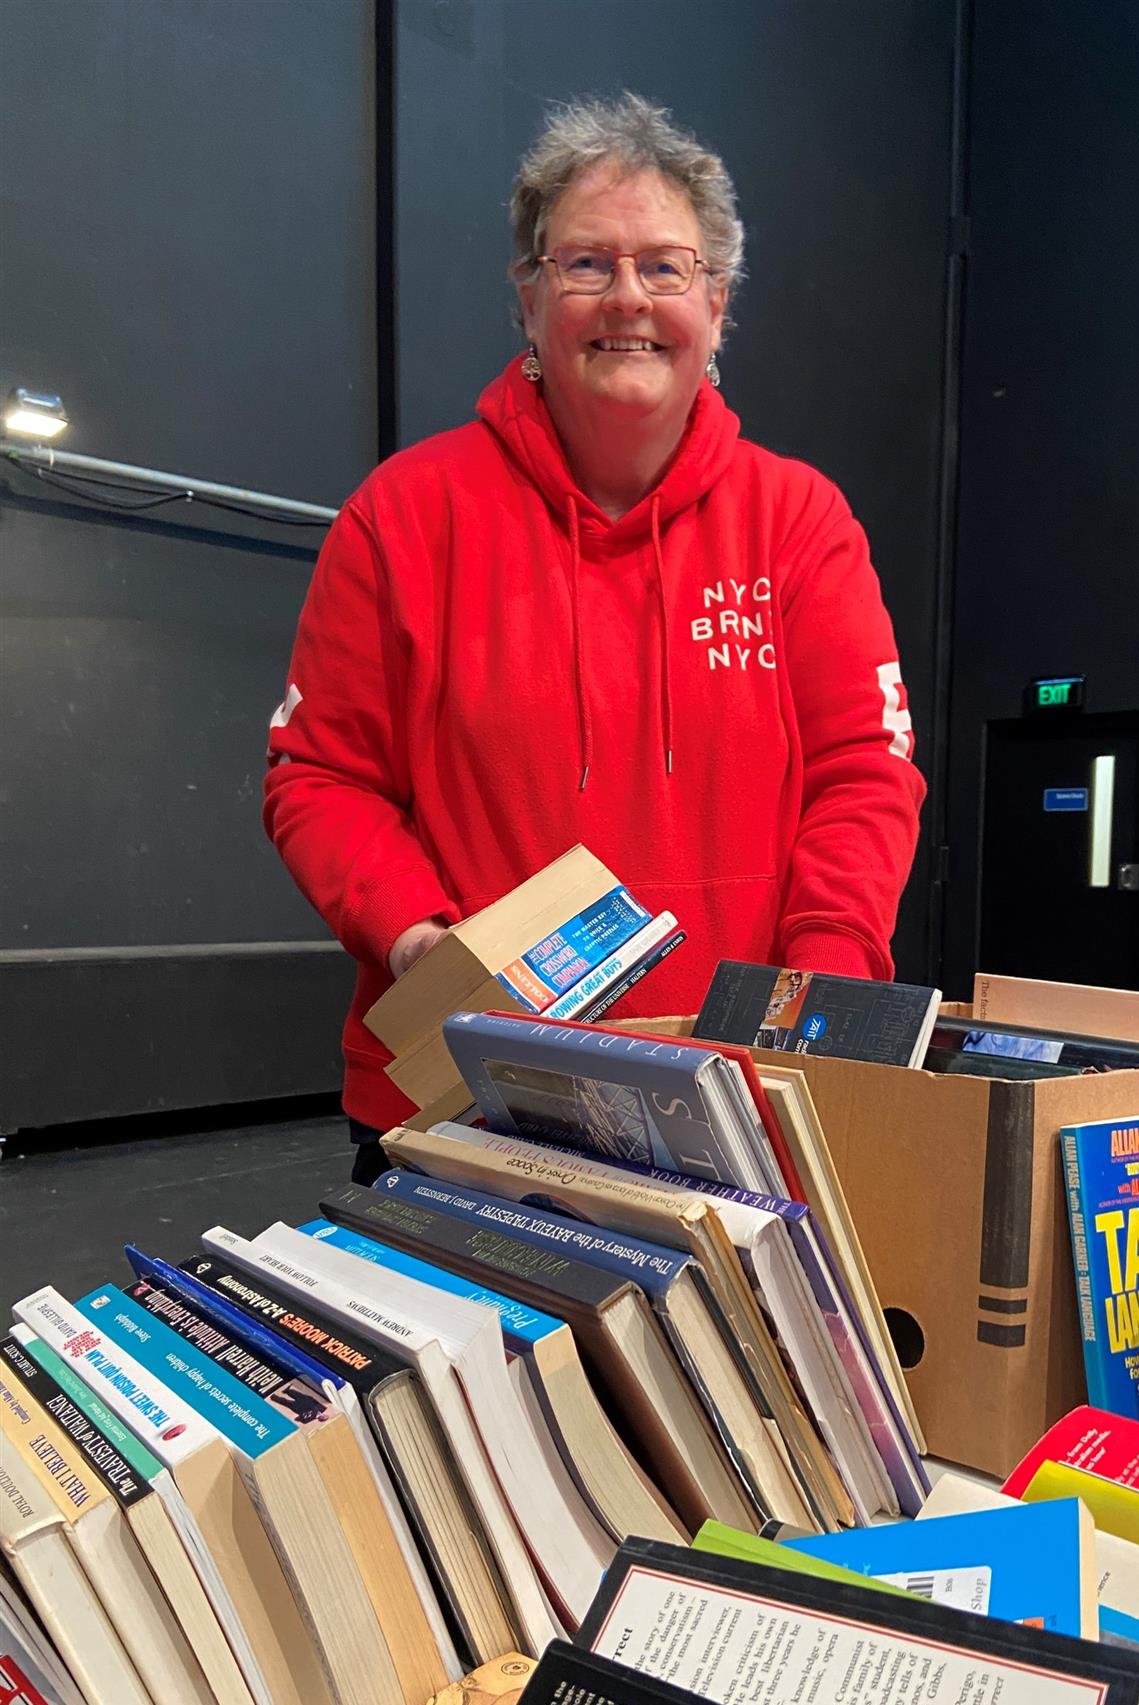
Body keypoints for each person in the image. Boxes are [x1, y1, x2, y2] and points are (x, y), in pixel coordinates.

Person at [264, 93, 925, 1180]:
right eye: (585, 265)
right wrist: (426, 947)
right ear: (528, 298)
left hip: (730, 1100)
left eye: (665, 267)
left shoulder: (801, 523)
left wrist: (822, 998)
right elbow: (320, 778)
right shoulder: (402, 517)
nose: (629, 297)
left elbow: (864, 776)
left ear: (716, 302)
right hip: (465, 1102)